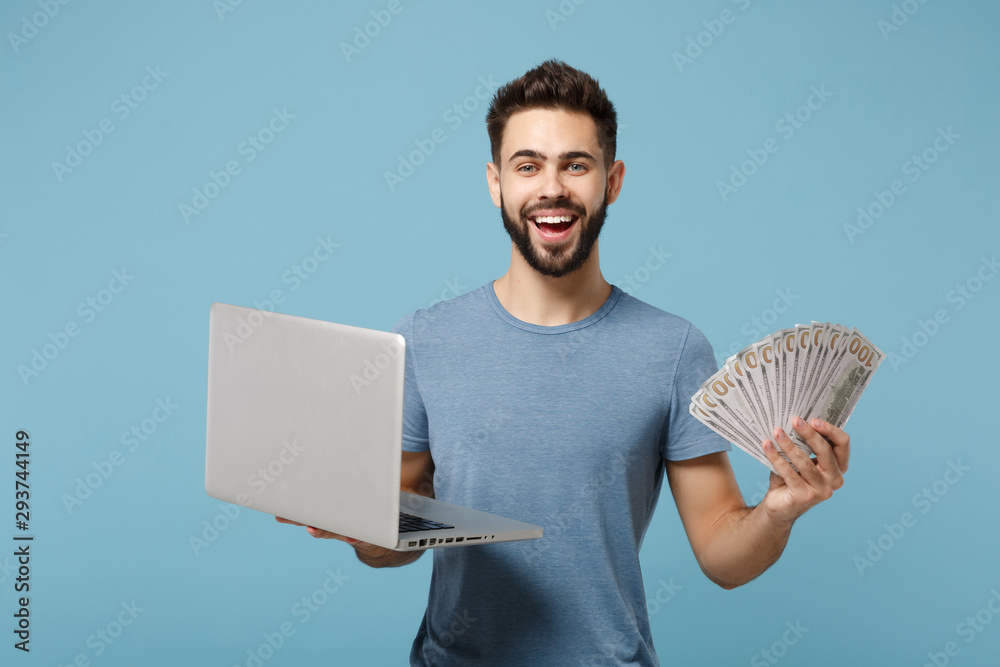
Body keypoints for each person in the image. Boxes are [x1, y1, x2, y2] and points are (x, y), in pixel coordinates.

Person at [278, 60, 850, 666]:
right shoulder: (424, 340)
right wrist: (363, 531)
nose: (552, 188)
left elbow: (722, 558)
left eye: (575, 165)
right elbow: (400, 535)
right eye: (528, 166)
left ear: (613, 180)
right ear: (496, 183)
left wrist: (778, 512)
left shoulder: (675, 350)